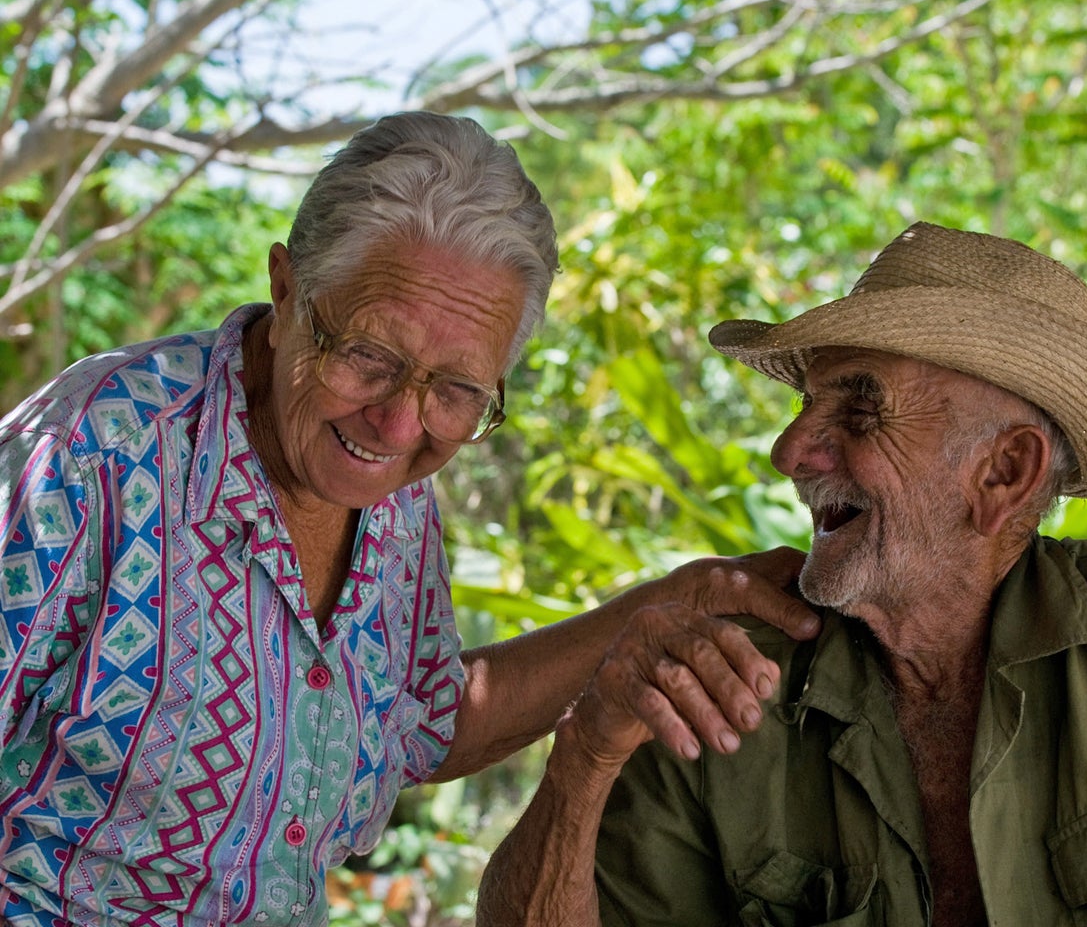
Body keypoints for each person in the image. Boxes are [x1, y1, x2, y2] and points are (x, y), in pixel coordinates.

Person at [0, 111, 819, 927]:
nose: (398, 424)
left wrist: (668, 605)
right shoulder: (95, 453)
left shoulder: (388, 491)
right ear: (287, 292)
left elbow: (421, 720)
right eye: (367, 356)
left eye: (458, 390)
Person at [477, 221, 1087, 927]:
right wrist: (586, 754)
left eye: (859, 410)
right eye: (805, 406)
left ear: (1004, 473)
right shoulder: (723, 688)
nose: (790, 453)